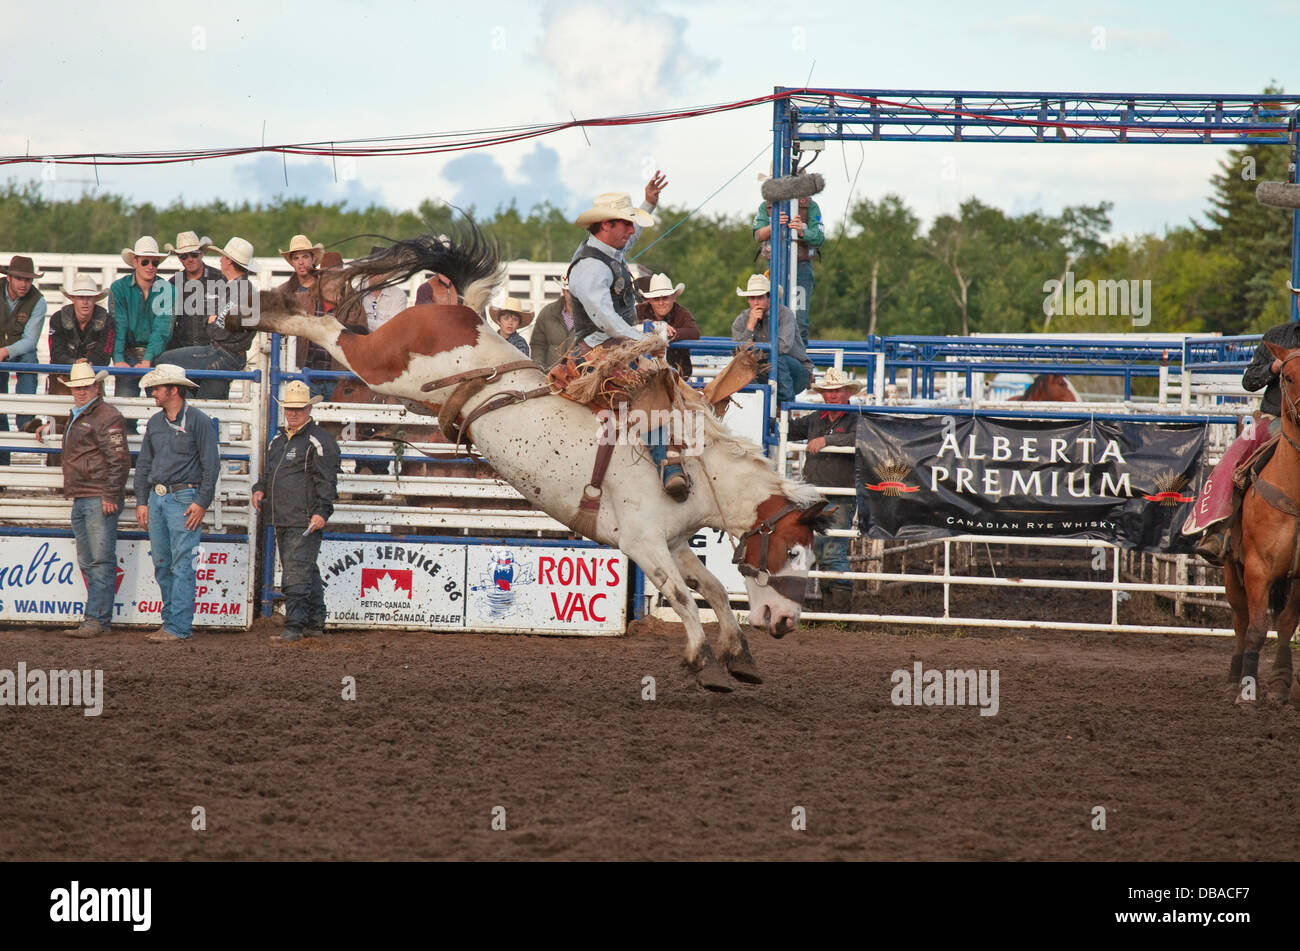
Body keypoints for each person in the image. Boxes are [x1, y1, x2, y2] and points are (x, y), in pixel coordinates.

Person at [566, 175, 690, 501]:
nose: (632, 231)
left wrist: (647, 203)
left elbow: (631, 243)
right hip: (600, 348)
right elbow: (603, 316)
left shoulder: (606, 251)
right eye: (626, 225)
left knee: (666, 377)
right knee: (652, 382)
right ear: (606, 225)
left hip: (616, 344)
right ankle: (665, 461)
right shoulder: (591, 267)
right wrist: (641, 340)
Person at [1187, 281, 1300, 564]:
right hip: (1274, 417)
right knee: (1235, 455)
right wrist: (1273, 367)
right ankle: (1218, 531)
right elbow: (1249, 381)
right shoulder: (1277, 337)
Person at [133, 364, 220, 643]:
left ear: (173, 390)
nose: (152, 392)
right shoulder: (156, 423)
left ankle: (177, 625)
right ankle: (172, 622)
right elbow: (145, 462)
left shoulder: (199, 421)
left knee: (180, 563)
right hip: (161, 498)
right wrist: (143, 500)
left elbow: (211, 464)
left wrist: (202, 501)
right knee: (163, 562)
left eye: (157, 388)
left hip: (184, 498)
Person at [252, 380, 341, 643]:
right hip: (284, 516)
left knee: (296, 572)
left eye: (298, 409)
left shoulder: (318, 440)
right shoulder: (279, 440)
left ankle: (294, 626)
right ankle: (314, 622)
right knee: (303, 569)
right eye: (290, 409)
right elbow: (270, 473)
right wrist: (260, 488)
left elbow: (327, 480)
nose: (293, 414)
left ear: (308, 410)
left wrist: (321, 511)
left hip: (303, 517)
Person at [53, 364, 132, 638]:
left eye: (85, 387)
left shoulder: (105, 416)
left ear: (96, 387)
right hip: (86, 494)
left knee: (97, 560)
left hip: (97, 495)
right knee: (91, 560)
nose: (81, 392)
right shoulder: (88, 415)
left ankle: (96, 620)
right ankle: (97, 619)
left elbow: (119, 459)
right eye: (77, 388)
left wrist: (110, 494)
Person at [786, 367, 862, 614]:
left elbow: (860, 438)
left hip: (840, 494)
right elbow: (790, 428)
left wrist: (827, 441)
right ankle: (832, 610)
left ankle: (837, 611)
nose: (831, 396)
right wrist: (776, 407)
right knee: (811, 547)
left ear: (847, 393)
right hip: (813, 494)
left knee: (832, 550)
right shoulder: (816, 419)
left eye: (836, 391)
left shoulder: (857, 418)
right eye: (828, 392)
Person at [156, 237, 259, 400]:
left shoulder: (236, 289)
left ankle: (181, 406)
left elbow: (218, 330)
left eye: (224, 257)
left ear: (230, 262)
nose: (220, 260)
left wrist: (212, 323)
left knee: (164, 360)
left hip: (221, 353)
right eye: (184, 256)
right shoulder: (242, 288)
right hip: (223, 353)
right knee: (210, 400)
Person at [753, 187, 824, 347]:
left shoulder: (810, 206)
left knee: (799, 320)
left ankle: (799, 361)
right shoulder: (767, 206)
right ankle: (770, 358)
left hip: (801, 267)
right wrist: (774, 225)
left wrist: (801, 231)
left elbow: (819, 237)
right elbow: (758, 234)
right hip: (774, 266)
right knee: (769, 315)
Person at [731, 273, 813, 402]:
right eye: (752, 298)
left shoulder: (784, 314)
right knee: (743, 363)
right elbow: (736, 352)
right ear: (748, 300)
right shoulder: (743, 319)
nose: (756, 302)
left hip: (795, 372)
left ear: (769, 298)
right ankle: (754, 404)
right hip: (763, 369)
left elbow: (782, 347)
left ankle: (786, 407)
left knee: (775, 358)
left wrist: (755, 354)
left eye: (760, 297)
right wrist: (750, 327)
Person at [110, 237, 173, 399]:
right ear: (135, 262)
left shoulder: (168, 289)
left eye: (155, 263)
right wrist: (118, 359)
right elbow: (118, 325)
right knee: (125, 409)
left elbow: (162, 328)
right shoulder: (119, 288)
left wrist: (148, 359)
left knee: (162, 409)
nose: (151, 267)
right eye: (145, 262)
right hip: (128, 354)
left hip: (158, 357)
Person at [0, 255, 50, 451]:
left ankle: (26, 419)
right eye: (19, 278)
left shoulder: (38, 301)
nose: (24, 284)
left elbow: (30, 341)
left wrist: (4, 351)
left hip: (17, 350)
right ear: (9, 278)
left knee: (29, 359)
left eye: (28, 279)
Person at [275, 236, 332, 401]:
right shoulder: (283, 293)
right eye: (296, 258)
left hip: (330, 366)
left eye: (305, 257)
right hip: (300, 368)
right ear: (292, 262)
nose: (301, 262)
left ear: (313, 259)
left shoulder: (329, 289)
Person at [49, 275, 114, 396]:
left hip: (93, 378)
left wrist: (85, 363)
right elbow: (56, 351)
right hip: (63, 377)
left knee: (96, 411)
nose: (85, 302)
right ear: (73, 299)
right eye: (80, 297)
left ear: (95, 299)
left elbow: (105, 353)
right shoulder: (57, 319)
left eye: (89, 297)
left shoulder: (108, 321)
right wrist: (76, 363)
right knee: (61, 412)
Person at [634, 272, 700, 379]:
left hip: (678, 374)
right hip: (643, 373)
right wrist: (657, 327)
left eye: (665, 298)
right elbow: (625, 325)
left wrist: (670, 334)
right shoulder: (639, 310)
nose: (661, 303)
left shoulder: (681, 313)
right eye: (656, 299)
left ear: (673, 298)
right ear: (650, 300)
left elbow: (694, 332)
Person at [164, 232, 220, 351]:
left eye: (194, 254)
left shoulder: (219, 279)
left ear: (202, 253)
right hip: (181, 350)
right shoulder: (173, 284)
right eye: (184, 256)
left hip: (213, 350)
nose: (190, 259)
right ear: (179, 258)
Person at [530, 277, 576, 369]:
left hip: (580, 376)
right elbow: (537, 344)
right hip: (550, 375)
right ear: (563, 291)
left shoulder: (590, 315)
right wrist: (539, 366)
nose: (572, 296)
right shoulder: (547, 313)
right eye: (569, 292)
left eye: (575, 292)